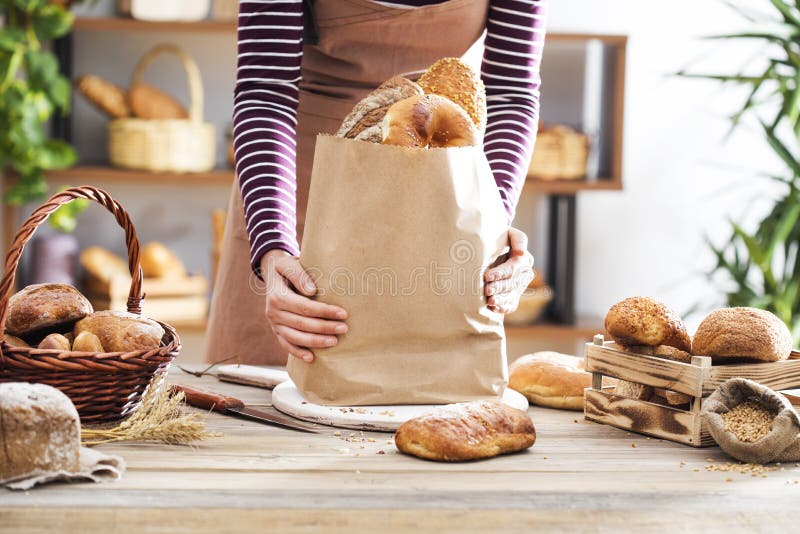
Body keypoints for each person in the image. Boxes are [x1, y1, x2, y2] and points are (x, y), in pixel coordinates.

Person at [205, 0, 547, 365]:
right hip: (293, 189)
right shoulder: (281, 225)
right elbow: (266, 90)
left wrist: (490, 223)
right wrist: (273, 244)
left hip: (433, 186)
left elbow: (511, 93)